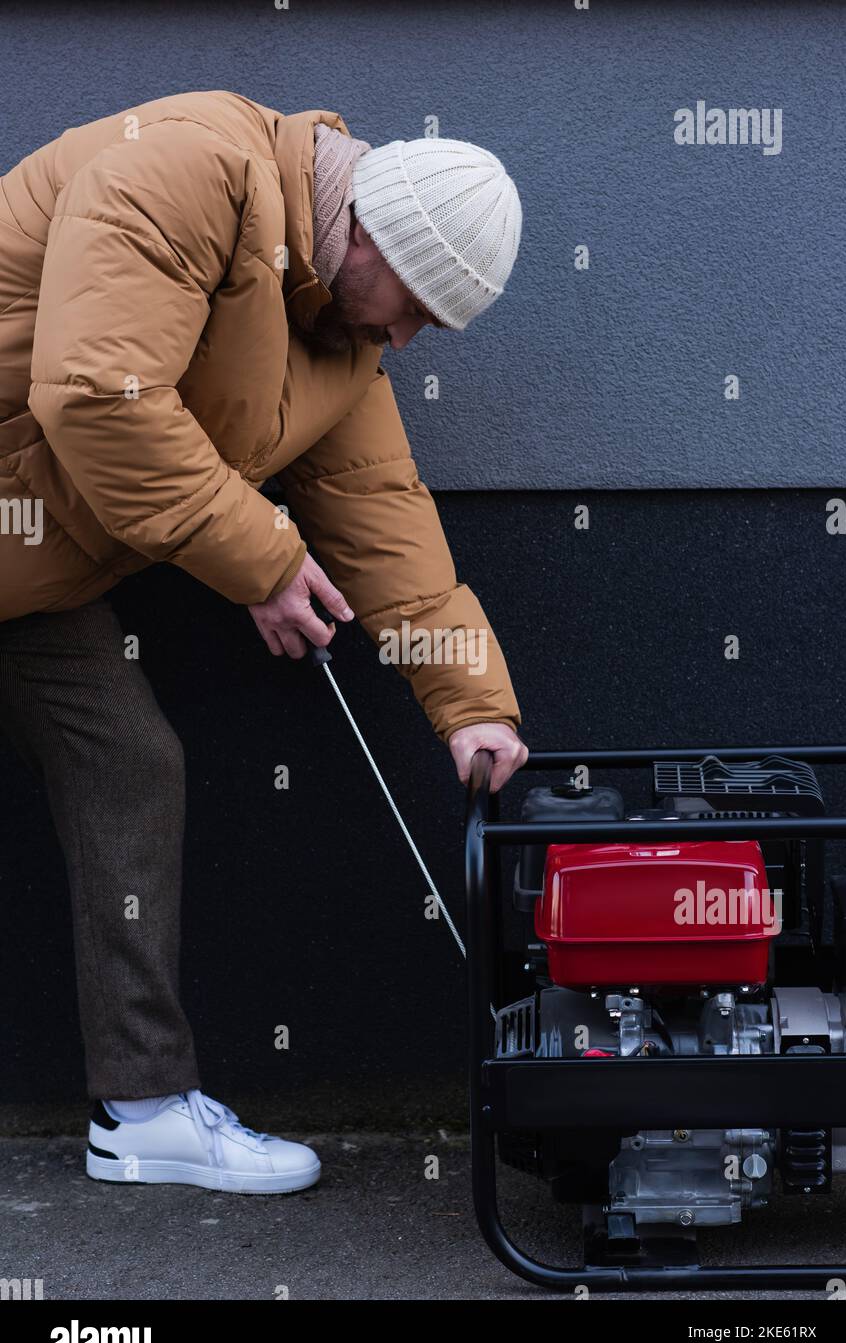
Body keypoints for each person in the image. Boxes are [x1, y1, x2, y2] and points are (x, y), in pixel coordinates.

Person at [0, 91, 528, 1193]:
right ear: (371, 233)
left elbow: (379, 508)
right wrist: (264, 559)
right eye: (420, 303)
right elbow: (98, 396)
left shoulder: (341, 333)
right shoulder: (193, 171)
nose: (414, 335)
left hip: (32, 570)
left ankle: (140, 1110)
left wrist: (469, 702)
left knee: (129, 762)